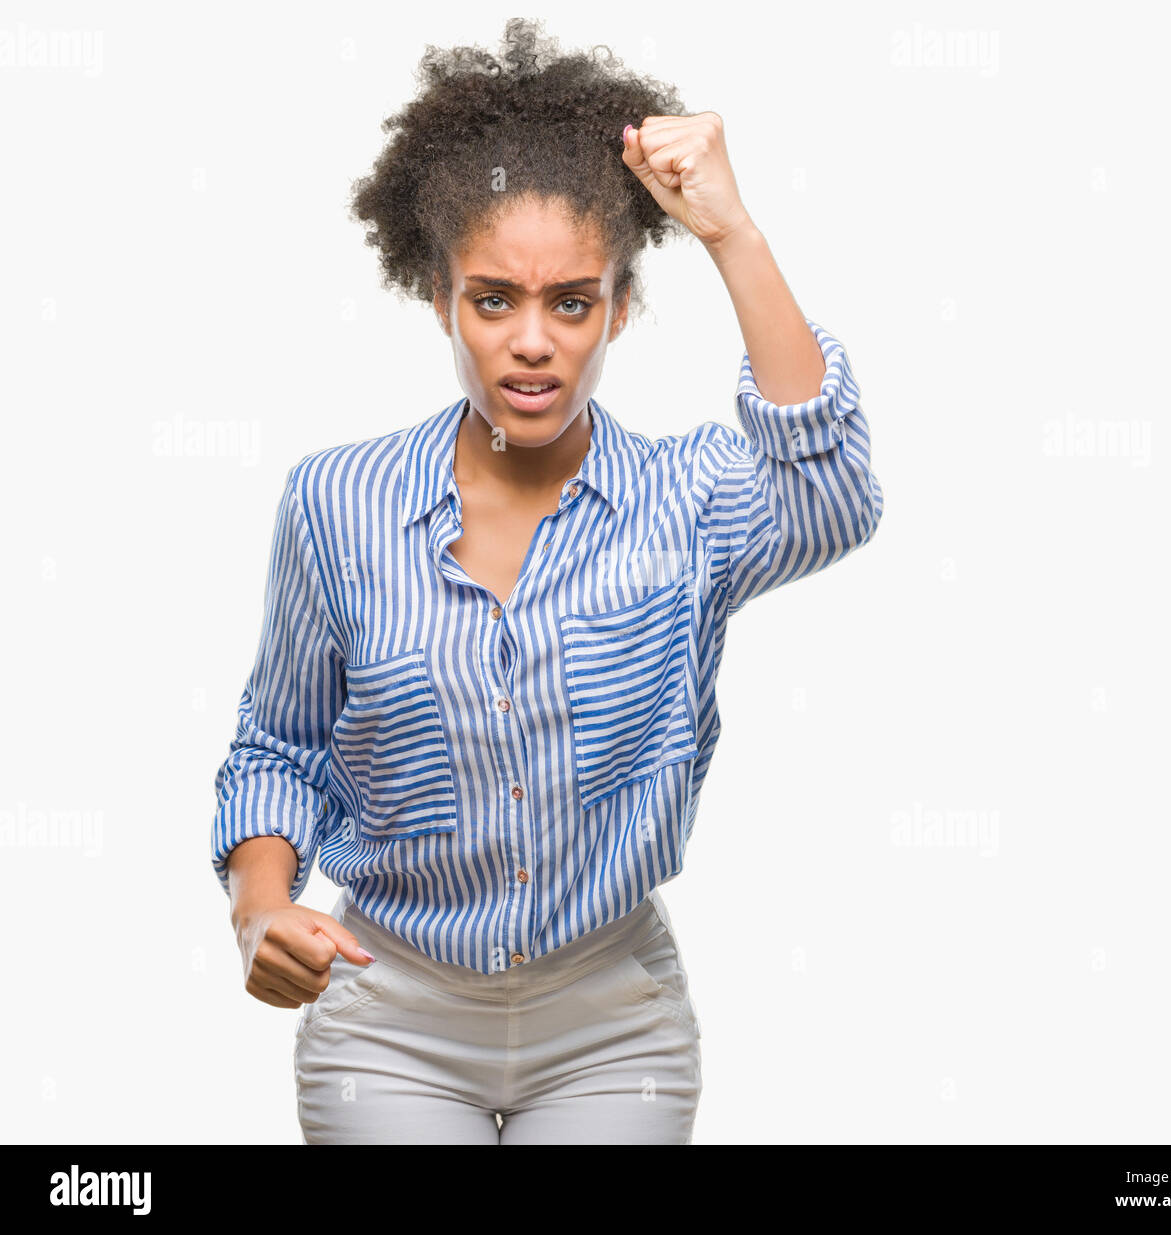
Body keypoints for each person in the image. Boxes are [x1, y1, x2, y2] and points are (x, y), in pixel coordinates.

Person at [211, 18, 884, 1145]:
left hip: (610, 1018)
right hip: (389, 1007)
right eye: (493, 299)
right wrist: (261, 906)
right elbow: (278, 743)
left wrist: (730, 231)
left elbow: (832, 497)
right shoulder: (335, 503)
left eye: (572, 301)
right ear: (439, 297)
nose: (532, 341)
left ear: (619, 307)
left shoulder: (687, 501)